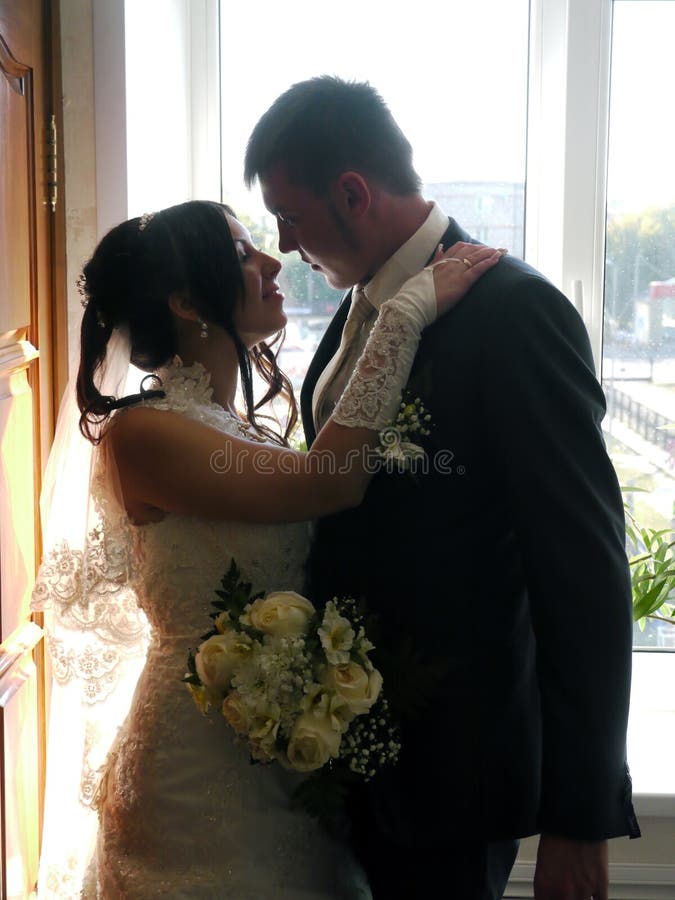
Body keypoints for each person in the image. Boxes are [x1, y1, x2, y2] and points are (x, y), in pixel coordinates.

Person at [31, 199, 502, 898]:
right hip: (195, 774)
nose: (272, 262)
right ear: (186, 301)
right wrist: (403, 314)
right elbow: (330, 481)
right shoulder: (144, 435)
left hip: (283, 760)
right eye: (242, 253)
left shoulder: (234, 427)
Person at [244, 76, 641, 900]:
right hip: (349, 761)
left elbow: (581, 570)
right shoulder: (359, 306)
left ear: (352, 193)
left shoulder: (514, 313)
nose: (283, 244)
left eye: (289, 216)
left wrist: (580, 814)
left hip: (455, 770)